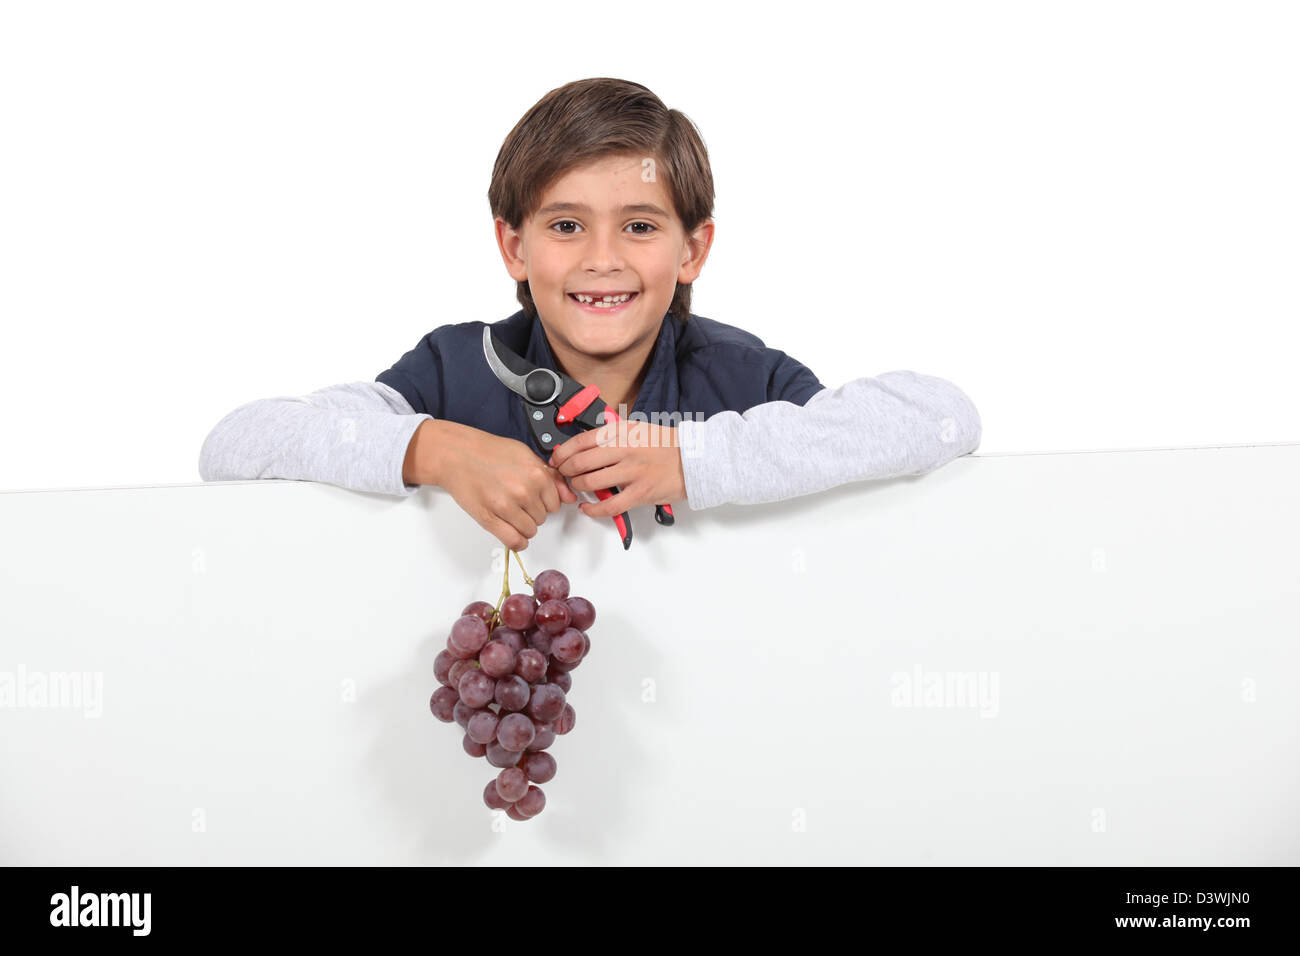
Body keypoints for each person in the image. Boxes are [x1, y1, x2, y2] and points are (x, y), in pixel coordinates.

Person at [199, 77, 982, 550]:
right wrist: (432, 448)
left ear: (692, 251)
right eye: (565, 225)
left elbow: (942, 418)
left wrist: (689, 462)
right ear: (514, 248)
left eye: (639, 226)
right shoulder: (450, 372)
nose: (601, 258)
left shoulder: (742, 377)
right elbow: (234, 444)